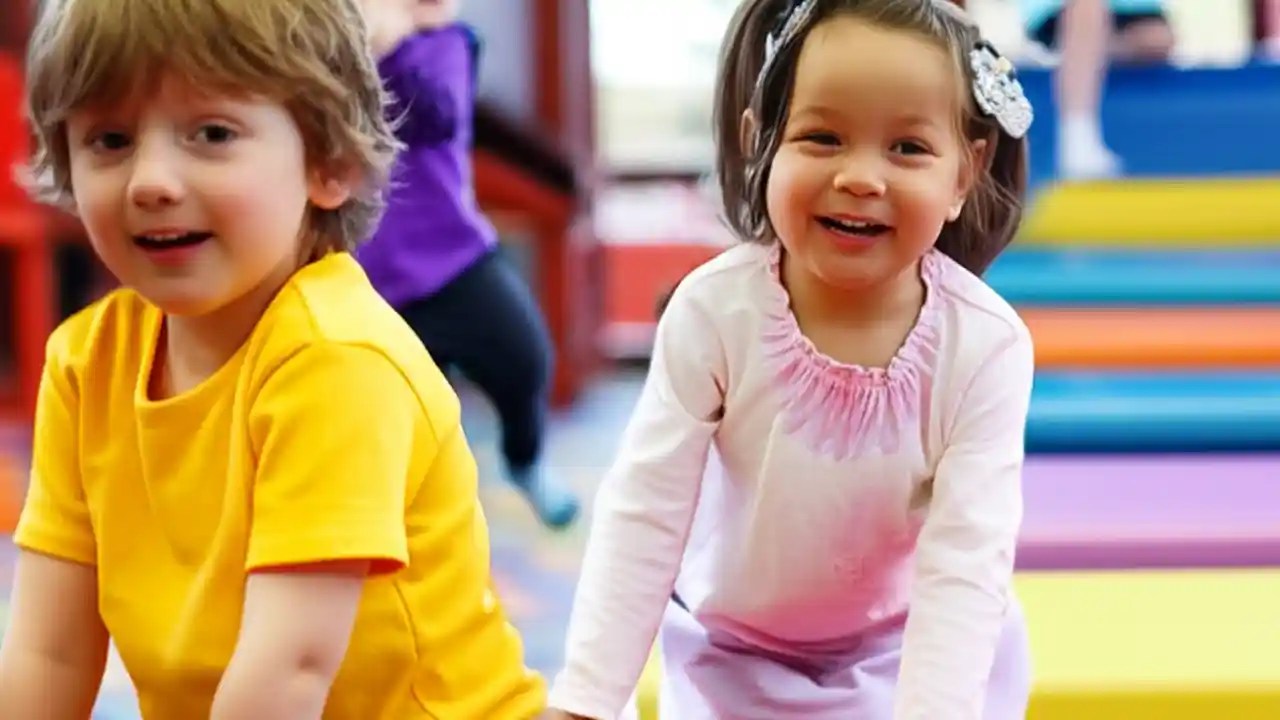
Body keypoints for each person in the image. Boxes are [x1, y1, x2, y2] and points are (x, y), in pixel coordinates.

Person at [0, 0, 546, 717]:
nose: (150, 181)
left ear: (330, 164)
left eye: (213, 133)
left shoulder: (336, 360)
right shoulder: (85, 360)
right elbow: (51, 650)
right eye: (109, 140)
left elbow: (288, 673)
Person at [548, 0, 1036, 717]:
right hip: (737, 654)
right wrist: (588, 698)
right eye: (822, 137)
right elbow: (646, 511)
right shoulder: (716, 311)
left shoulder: (985, 345)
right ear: (759, 143)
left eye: (907, 148)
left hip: (910, 654)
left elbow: (967, 558)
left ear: (966, 172)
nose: (861, 177)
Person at [357, 0, 580, 529]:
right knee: (411, 417)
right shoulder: (344, 47)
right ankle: (414, 521)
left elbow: (436, 112)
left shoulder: (448, 43)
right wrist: (364, 44)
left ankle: (525, 461)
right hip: (374, 281)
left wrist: (392, 46)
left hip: (454, 259)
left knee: (524, 359)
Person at [1023, 0, 1175, 178]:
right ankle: (1077, 136)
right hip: (1067, 8)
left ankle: (1080, 52)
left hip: (1127, 8)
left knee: (1156, 38)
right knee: (1088, 6)